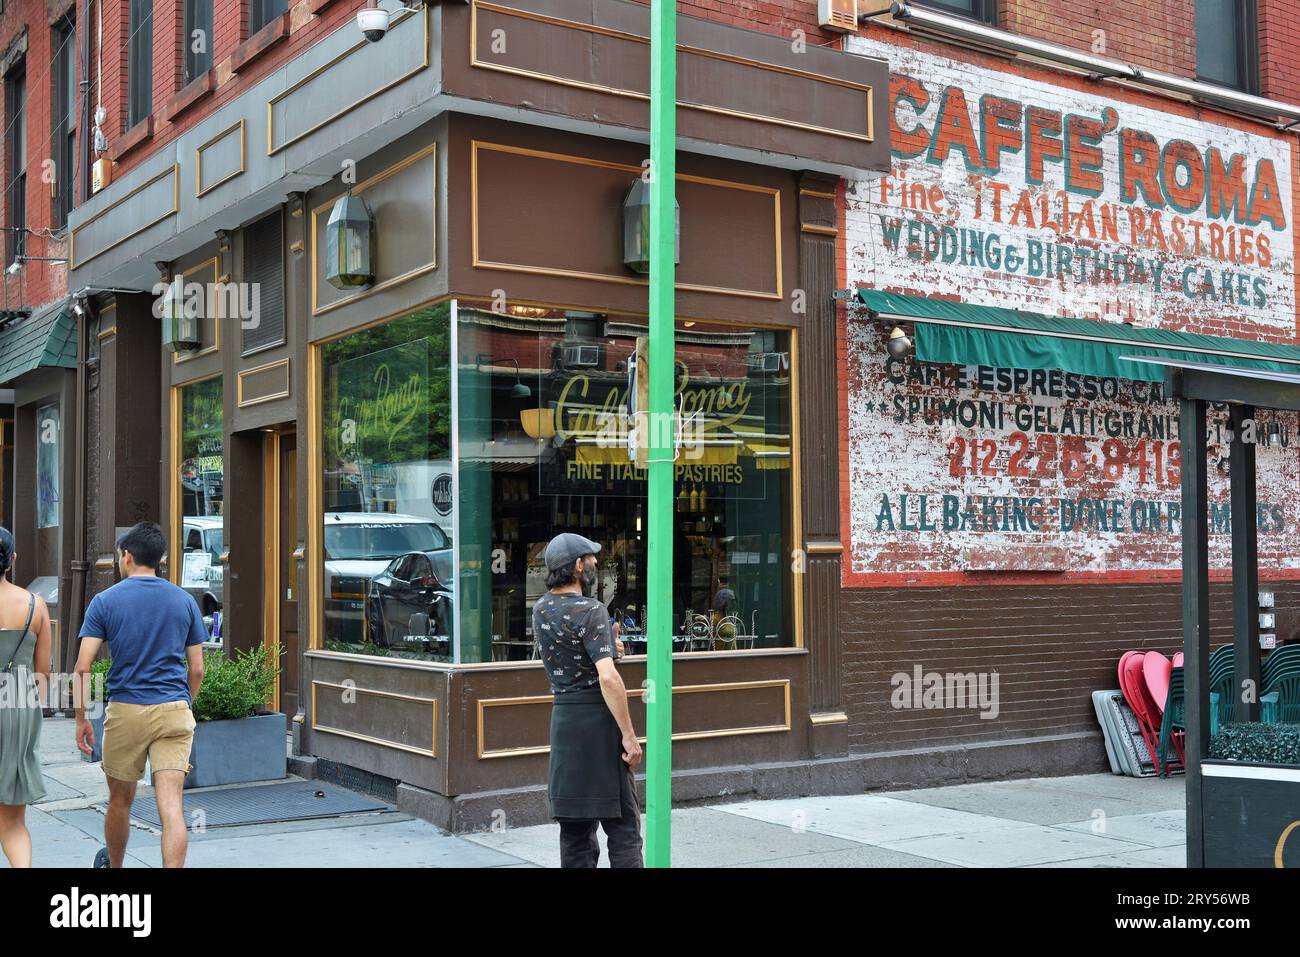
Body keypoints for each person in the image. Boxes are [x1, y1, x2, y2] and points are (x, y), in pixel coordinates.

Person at [74, 522, 207, 869]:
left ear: (128, 556)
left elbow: (83, 667)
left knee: (120, 800)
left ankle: (114, 867)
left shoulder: (105, 601)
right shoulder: (184, 600)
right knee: (172, 806)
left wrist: (81, 719)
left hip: (127, 709)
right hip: (174, 709)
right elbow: (197, 670)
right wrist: (185, 702)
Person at [534, 532, 643, 868]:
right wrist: (628, 735)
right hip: (599, 728)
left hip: (565, 728)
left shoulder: (539, 610)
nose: (597, 563)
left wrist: (609, 651)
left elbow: (570, 657)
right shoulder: (592, 610)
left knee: (576, 833)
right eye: (592, 558)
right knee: (623, 829)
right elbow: (608, 679)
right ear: (578, 566)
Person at [0, 528, 52, 868]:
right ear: (12, 559)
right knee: (13, 823)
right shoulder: (35, 605)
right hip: (17, 703)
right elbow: (43, 673)